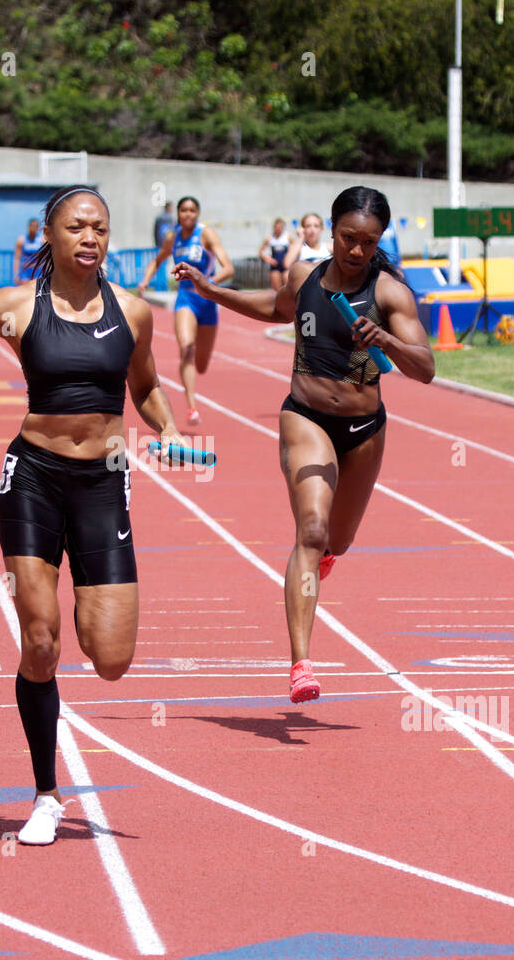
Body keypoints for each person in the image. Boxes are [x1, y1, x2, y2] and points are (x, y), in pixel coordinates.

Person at [0, 186, 186, 845]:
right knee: (40, 639)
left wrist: (166, 427)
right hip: (30, 479)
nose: (90, 238)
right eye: (77, 227)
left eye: (101, 228)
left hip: (103, 481)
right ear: (50, 236)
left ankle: (53, 763)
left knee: (112, 658)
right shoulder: (15, 308)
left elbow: (142, 383)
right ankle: (47, 793)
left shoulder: (134, 311)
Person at [171, 185, 434, 705]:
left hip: (364, 430)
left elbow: (425, 368)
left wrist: (387, 341)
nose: (356, 250)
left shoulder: (390, 294)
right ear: (330, 231)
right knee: (310, 532)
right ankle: (300, 663)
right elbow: (275, 307)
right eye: (347, 238)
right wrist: (210, 290)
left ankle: (324, 558)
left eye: (368, 241)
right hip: (306, 417)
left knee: (338, 540)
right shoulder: (306, 276)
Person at [137, 196, 234, 427]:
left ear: (197, 213)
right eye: (183, 210)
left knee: (201, 364)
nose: (188, 214)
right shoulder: (173, 237)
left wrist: (207, 283)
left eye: (192, 210)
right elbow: (157, 260)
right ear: (178, 214)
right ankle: (192, 407)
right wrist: (145, 281)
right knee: (186, 348)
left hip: (207, 300)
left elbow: (228, 268)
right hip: (186, 298)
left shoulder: (206, 234)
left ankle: (193, 387)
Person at [259, 218, 291, 291]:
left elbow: (295, 248)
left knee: (288, 289)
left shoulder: (287, 236)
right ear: (274, 227)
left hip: (286, 266)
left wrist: (290, 259)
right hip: (275, 266)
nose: (279, 229)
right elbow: (260, 252)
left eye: (281, 227)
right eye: (277, 227)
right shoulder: (270, 238)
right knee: (277, 290)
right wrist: (269, 259)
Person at [13, 218, 45, 282]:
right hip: (25, 271)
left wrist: (46, 272)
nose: (33, 228)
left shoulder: (42, 240)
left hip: (37, 271)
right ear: (28, 227)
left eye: (35, 226)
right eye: (31, 226)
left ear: (38, 228)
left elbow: (46, 258)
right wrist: (15, 274)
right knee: (24, 290)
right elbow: (17, 258)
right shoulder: (21, 240)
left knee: (37, 289)